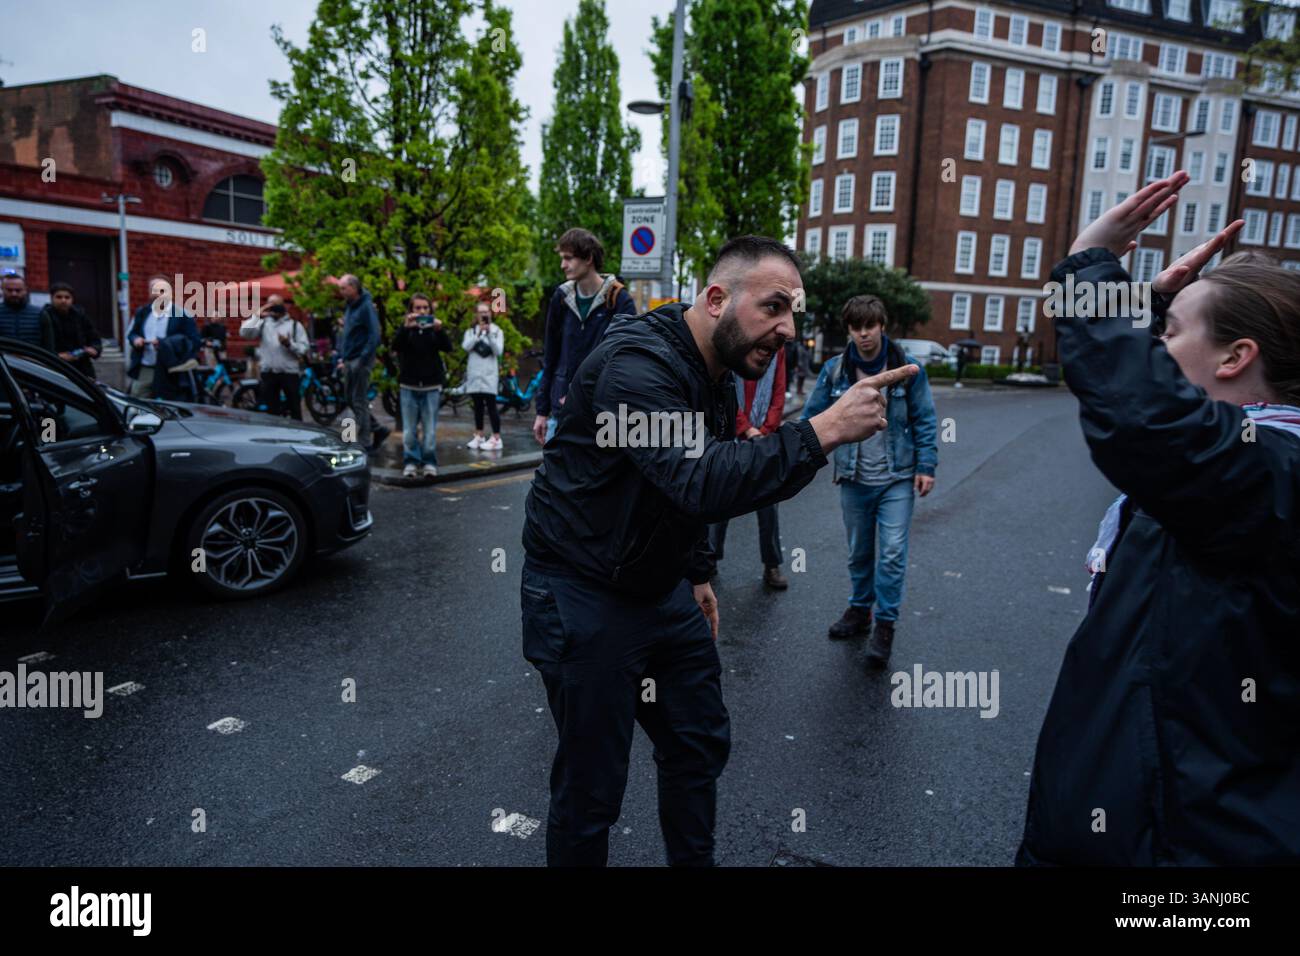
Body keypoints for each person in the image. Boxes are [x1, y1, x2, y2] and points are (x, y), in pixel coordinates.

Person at [520, 235, 917, 866]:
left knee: (697, 740)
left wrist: (699, 574)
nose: (788, 328)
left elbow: (684, 493)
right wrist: (825, 430)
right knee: (592, 787)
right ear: (715, 299)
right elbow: (699, 476)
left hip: (660, 587)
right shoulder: (635, 365)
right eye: (773, 307)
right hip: (581, 592)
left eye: (794, 312)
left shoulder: (714, 372)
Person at [1017, 172, 1300, 866]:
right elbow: (1153, 401)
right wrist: (1153, 305)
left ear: (1236, 358)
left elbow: (1146, 417)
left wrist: (1089, 265)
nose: (1155, 343)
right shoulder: (1238, 470)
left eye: (1168, 331)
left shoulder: (1267, 473)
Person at [801, 295, 938, 668]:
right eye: (856, 327)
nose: (864, 334)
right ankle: (860, 610)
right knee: (859, 551)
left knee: (892, 551)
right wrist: (796, 460)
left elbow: (925, 419)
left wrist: (926, 465)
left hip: (897, 476)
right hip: (854, 477)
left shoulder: (908, 370)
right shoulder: (834, 372)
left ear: (882, 325)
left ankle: (885, 624)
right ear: (849, 329)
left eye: (870, 326)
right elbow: (813, 420)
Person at [532, 228, 636, 446]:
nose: (563, 265)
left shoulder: (619, 300)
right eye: (562, 258)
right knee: (554, 477)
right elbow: (551, 357)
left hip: (601, 415)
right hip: (561, 413)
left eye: (568, 258)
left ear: (588, 258)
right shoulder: (560, 298)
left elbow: (620, 361)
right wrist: (542, 411)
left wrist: (581, 393)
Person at [706, 343, 789, 590]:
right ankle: (709, 560)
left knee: (768, 506)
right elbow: (724, 392)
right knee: (720, 502)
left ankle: (771, 565)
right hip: (731, 436)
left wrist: (767, 429)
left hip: (763, 438)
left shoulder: (777, 349)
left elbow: (779, 390)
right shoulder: (734, 343)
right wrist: (745, 428)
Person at [392, 293, 453, 477]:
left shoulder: (434, 331)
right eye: (417, 308)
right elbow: (395, 346)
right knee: (409, 431)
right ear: (411, 310)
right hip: (409, 387)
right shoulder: (406, 330)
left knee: (429, 430)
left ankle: (429, 462)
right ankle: (411, 462)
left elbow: (448, 348)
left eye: (425, 308)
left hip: (431, 387)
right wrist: (405, 328)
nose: (421, 312)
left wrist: (439, 330)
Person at [335, 274, 390, 452]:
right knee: (350, 399)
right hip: (350, 359)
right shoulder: (350, 307)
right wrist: (344, 357)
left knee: (359, 400)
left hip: (360, 360)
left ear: (354, 287)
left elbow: (374, 336)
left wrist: (363, 358)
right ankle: (378, 429)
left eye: (343, 288)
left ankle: (365, 442)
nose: (341, 291)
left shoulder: (366, 306)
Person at [125, 276, 201, 400]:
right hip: (147, 366)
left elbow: (194, 342)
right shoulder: (142, 312)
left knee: (169, 405)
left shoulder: (181, 314)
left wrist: (166, 344)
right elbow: (132, 333)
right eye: (153, 289)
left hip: (172, 370)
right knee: (137, 402)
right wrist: (136, 339)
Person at [239, 294, 309, 419]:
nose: (273, 309)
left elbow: (304, 349)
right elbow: (244, 333)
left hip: (289, 373)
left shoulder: (295, 325)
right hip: (269, 373)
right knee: (272, 413)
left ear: (283, 307)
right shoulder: (263, 324)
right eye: (270, 305)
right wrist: (256, 316)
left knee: (294, 409)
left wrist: (289, 344)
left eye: (276, 305)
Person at [463, 301, 504, 451]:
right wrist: (478, 333)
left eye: (486, 312)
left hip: (489, 376)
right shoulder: (471, 331)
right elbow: (466, 347)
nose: (483, 315)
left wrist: (489, 335)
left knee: (492, 407)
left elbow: (498, 351)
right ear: (476, 314)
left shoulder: (497, 331)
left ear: (490, 313)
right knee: (478, 407)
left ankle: (496, 437)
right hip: (474, 375)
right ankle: (479, 435)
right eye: (480, 312)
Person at [41, 281, 101, 377]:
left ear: (72, 299)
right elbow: (41, 343)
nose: (63, 300)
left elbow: (94, 337)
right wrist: (57, 356)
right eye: (59, 297)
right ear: (52, 298)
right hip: (55, 367)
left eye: (67, 297)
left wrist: (94, 349)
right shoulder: (44, 316)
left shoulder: (80, 316)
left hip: (82, 367)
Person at [1, 273, 55, 350]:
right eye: (9, 290)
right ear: (2, 290)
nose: (14, 294)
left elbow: (49, 347)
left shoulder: (40, 314)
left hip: (32, 360)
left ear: (25, 290)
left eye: (18, 290)